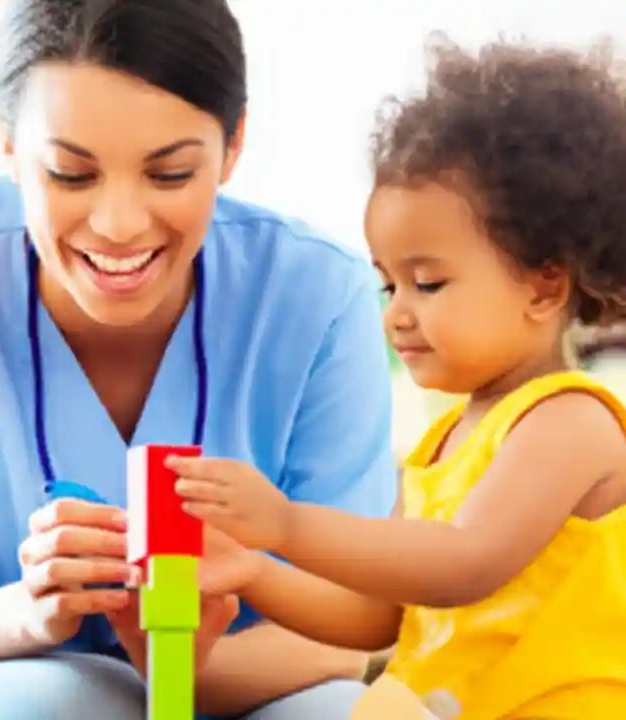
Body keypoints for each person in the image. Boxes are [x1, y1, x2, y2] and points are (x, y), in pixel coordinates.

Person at [0, 1, 398, 717]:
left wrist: (172, 665)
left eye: (170, 175)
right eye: (71, 174)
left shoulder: (319, 294)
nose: (119, 225)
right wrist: (28, 613)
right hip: (6, 670)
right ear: (8, 144)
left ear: (234, 145)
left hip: (253, 682)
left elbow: (350, 633)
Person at [173, 36, 626, 719]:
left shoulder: (569, 421)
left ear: (544, 285)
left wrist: (285, 524)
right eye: (388, 288)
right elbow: (378, 618)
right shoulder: (441, 443)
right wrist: (255, 569)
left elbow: (464, 562)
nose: (397, 317)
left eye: (429, 283)